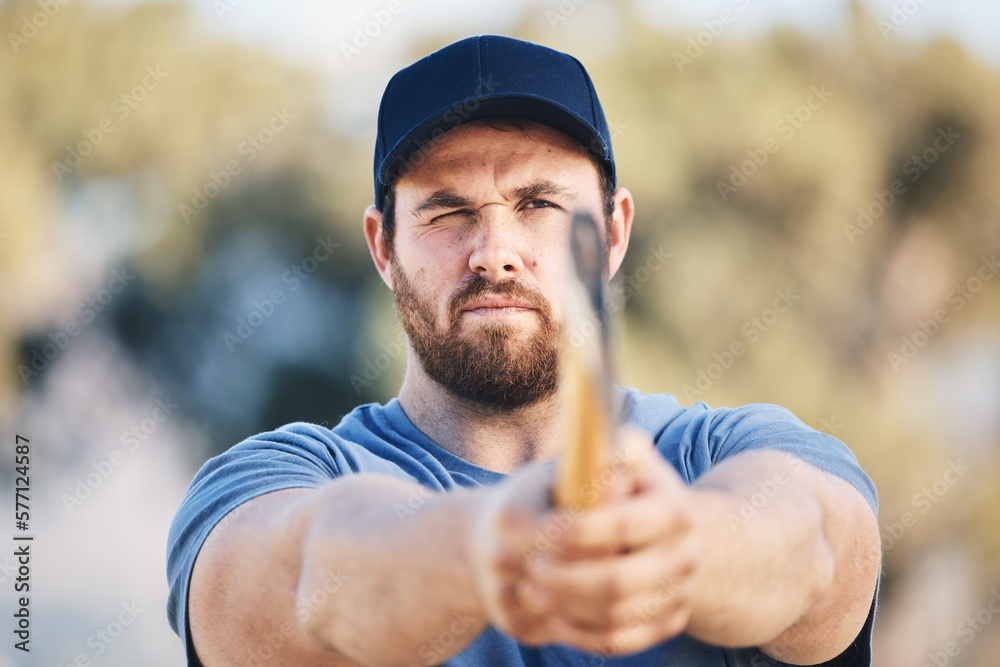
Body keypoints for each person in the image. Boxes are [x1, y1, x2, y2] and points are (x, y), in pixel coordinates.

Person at [167, 35, 880, 667]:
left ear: (613, 230)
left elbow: (818, 546)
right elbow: (299, 582)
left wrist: (681, 551)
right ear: (382, 247)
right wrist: (501, 545)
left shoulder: (723, 456)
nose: (494, 253)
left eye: (538, 202)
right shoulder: (279, 480)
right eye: (449, 211)